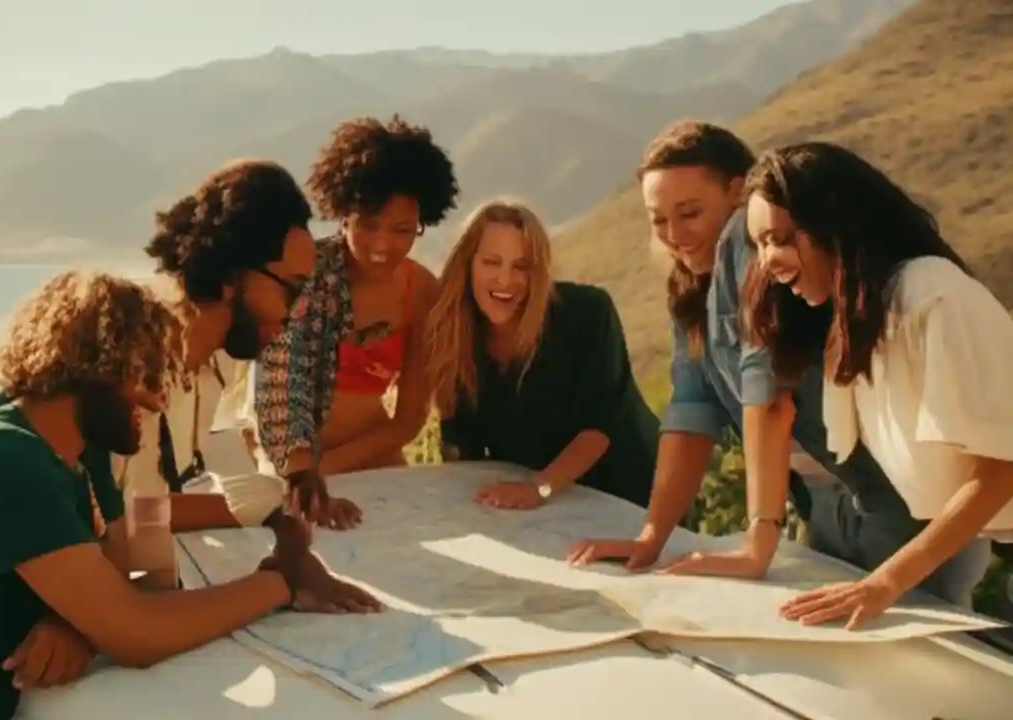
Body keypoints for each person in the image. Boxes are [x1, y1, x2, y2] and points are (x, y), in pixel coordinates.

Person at [0, 270, 380, 720]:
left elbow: (125, 566)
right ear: (97, 367)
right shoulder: (2, 458)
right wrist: (280, 582)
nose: (156, 400)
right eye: (145, 376)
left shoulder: (79, 450)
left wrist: (75, 622)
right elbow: (137, 633)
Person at [565, 121, 991, 616]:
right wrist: (652, 536)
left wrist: (757, 543)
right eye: (659, 220)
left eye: (690, 212)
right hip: (823, 506)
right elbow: (692, 410)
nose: (675, 236)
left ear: (738, 192)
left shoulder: (750, 248)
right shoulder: (692, 292)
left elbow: (768, 397)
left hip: (898, 510)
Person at [739, 141, 1011, 628]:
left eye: (779, 239)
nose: (767, 262)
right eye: (759, 245)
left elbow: (1002, 468)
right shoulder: (859, 321)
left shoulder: (932, 295)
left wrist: (884, 582)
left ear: (835, 224)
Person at [145, 158, 362, 529]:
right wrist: (260, 516)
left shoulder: (219, 355)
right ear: (231, 274)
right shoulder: (138, 359)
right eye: (291, 291)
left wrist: (294, 488)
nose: (294, 314)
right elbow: (120, 521)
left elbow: (281, 388)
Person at [426, 199, 659, 509]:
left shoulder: (587, 313)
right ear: (467, 265)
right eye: (492, 262)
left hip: (627, 494)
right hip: (533, 500)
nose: (505, 280)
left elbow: (600, 425)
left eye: (521, 266)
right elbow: (461, 442)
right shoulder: (455, 335)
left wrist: (540, 488)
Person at [299, 114, 459, 476]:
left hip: (374, 464)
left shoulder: (421, 291)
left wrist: (324, 469)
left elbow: (409, 420)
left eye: (402, 230)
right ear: (344, 216)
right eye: (368, 225)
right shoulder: (300, 273)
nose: (382, 244)